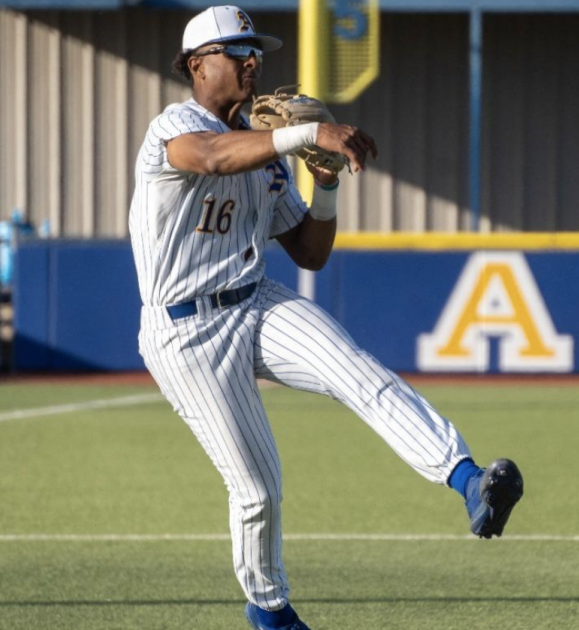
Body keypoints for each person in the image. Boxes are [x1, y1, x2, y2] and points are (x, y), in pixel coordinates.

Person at [128, 7, 524, 629]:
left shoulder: (265, 156)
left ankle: (469, 478)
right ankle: (270, 614)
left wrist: (327, 183)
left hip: (254, 299)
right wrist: (302, 137)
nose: (253, 60)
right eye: (236, 50)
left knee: (357, 372)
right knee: (258, 493)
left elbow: (310, 253)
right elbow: (207, 157)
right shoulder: (174, 126)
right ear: (198, 63)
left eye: (255, 50)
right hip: (184, 331)